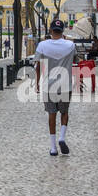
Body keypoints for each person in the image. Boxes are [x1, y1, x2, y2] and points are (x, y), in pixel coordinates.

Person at [34, 19, 75, 156]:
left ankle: (53, 148)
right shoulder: (70, 45)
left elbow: (38, 65)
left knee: (52, 114)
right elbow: (75, 59)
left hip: (48, 85)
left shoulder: (42, 45)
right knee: (64, 112)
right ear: (63, 31)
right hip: (65, 85)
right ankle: (62, 137)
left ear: (51, 30)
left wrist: (38, 82)